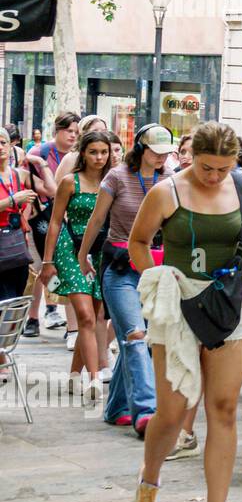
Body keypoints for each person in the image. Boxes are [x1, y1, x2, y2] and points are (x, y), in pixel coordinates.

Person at [126, 121, 242, 502]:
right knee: (174, 410)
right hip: (176, 306)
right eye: (206, 167)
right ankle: (149, 480)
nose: (213, 176)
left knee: (225, 408)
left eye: (223, 168)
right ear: (190, 155)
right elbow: (137, 242)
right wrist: (157, 281)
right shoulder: (167, 191)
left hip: (227, 306)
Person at [79, 123, 173, 437]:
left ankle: (116, 406)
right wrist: (83, 256)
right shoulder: (118, 176)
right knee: (135, 336)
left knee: (137, 341)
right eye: (155, 151)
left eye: (165, 153)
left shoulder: (170, 180)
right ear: (141, 150)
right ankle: (147, 411)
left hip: (153, 269)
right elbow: (97, 220)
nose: (161, 158)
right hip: (119, 269)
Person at [40, 129, 112, 400]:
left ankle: (73, 375)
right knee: (85, 316)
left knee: (93, 318)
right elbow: (56, 221)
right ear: (83, 153)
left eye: (104, 152)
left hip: (101, 251)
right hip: (70, 249)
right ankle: (93, 380)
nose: (99, 157)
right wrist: (48, 261)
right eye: (93, 151)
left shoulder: (112, 181)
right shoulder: (70, 182)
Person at [26, 112, 79, 338]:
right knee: (38, 268)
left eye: (77, 132)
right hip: (40, 219)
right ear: (57, 130)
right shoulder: (39, 153)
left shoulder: (79, 156)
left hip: (69, 219)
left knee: (67, 268)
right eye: (69, 131)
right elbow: (43, 188)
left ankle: (71, 326)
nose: (73, 136)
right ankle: (33, 318)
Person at [0, 128, 37, 300]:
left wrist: (40, 162)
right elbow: (14, 200)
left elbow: (50, 190)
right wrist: (13, 200)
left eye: (3, 143)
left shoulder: (18, 174)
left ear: (10, 145)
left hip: (17, 246)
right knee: (5, 300)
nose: (0, 147)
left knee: (17, 300)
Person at [53, 115, 109, 183]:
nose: (100, 134)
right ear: (83, 133)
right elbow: (58, 187)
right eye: (95, 131)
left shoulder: (110, 155)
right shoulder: (71, 158)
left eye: (104, 131)